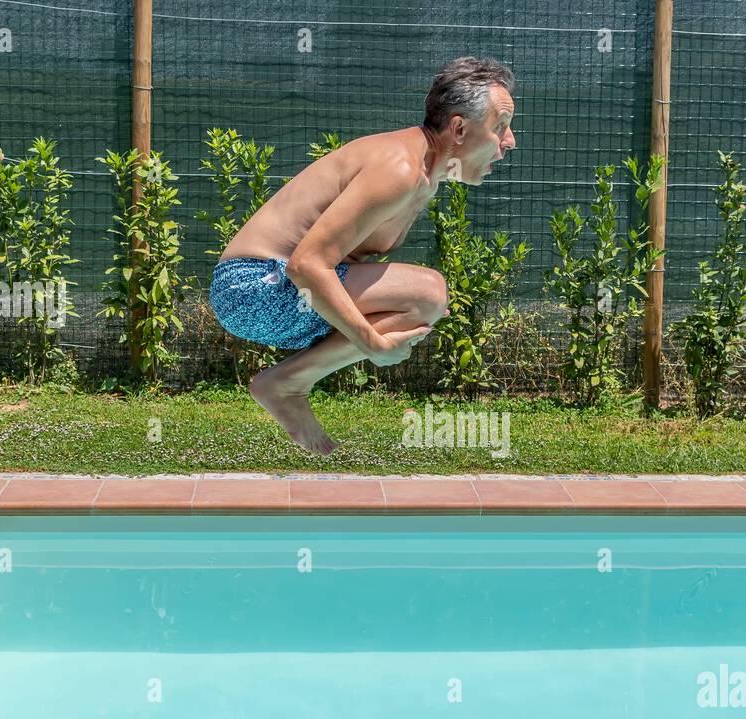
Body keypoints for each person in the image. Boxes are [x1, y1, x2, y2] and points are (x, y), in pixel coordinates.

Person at [209, 56, 516, 454]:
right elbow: (306, 265)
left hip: (274, 294)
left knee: (422, 301)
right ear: (458, 128)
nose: (509, 143)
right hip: (250, 290)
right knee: (428, 293)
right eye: (501, 127)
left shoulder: (425, 175)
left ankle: (287, 382)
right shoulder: (399, 169)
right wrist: (371, 342)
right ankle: (287, 383)